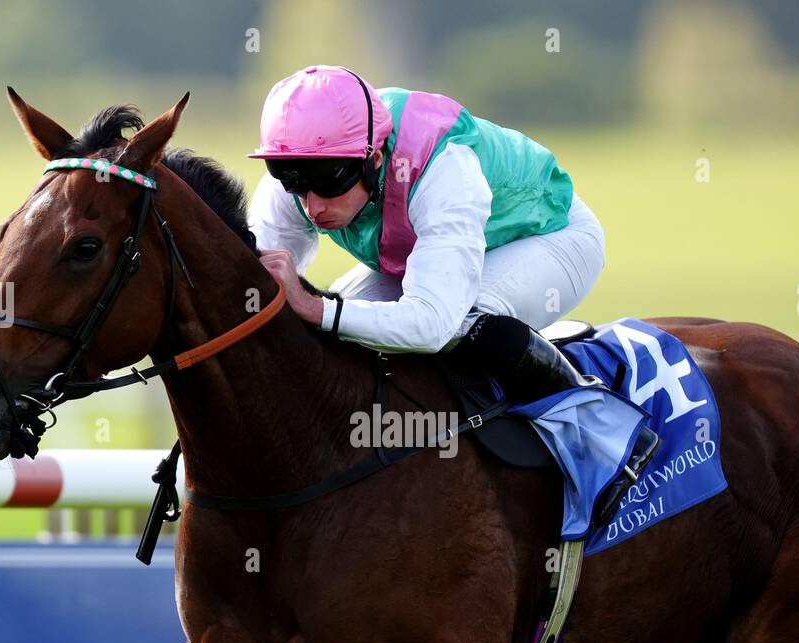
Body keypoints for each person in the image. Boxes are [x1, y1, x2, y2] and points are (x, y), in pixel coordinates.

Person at [248, 65, 658, 511]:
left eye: (330, 182)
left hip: (549, 237)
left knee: (467, 321)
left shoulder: (445, 168)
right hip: (424, 246)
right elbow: (257, 290)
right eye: (293, 180)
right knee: (335, 335)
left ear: (375, 158)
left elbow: (432, 323)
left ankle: (607, 435)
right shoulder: (308, 162)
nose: (312, 205)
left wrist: (318, 308)